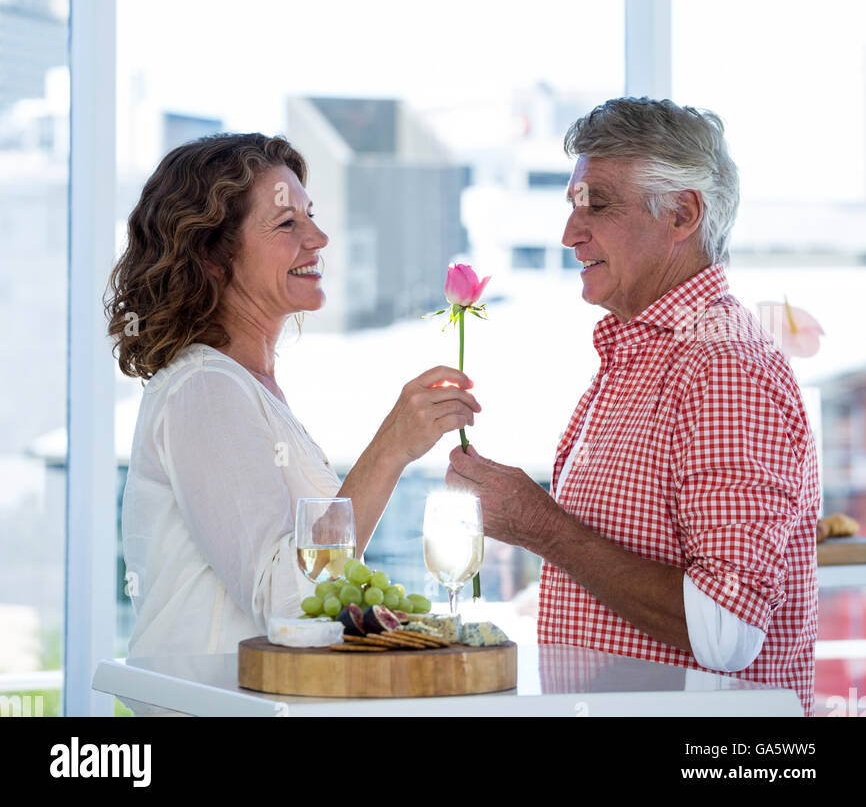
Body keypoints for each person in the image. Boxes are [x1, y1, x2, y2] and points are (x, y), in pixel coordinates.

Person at [447, 97, 820, 716]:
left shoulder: (723, 368)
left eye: (599, 203)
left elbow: (724, 633)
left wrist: (539, 526)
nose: (570, 233)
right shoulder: (644, 357)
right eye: (572, 204)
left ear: (681, 213)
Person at [107, 132, 479, 659]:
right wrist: (391, 448)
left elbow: (311, 585)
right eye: (287, 224)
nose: (319, 237)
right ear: (212, 257)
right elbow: (287, 600)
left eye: (311, 215)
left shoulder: (246, 387)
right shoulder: (207, 392)